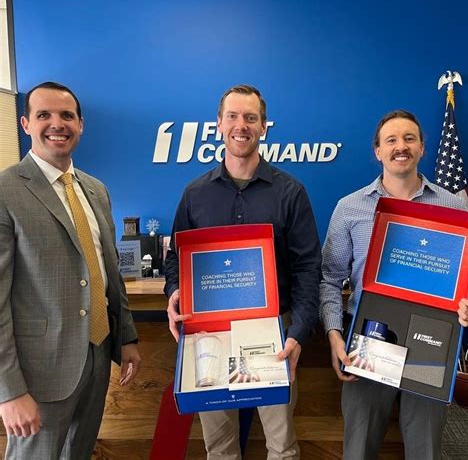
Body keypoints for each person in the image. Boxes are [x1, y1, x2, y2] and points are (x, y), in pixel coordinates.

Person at [165, 84, 321, 459]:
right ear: (219, 124)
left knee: (282, 447)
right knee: (219, 447)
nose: (241, 125)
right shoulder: (195, 194)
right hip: (210, 334)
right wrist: (174, 291)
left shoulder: (290, 192)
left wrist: (298, 333)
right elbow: (175, 259)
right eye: (233, 116)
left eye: (251, 118)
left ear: (264, 126)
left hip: (274, 334)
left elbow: (307, 268)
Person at [320, 109, 468, 460]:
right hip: (369, 337)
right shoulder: (349, 208)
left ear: (422, 147)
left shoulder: (454, 206)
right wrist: (334, 335)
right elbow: (328, 279)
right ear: (378, 151)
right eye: (391, 140)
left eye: (409, 139)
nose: (400, 147)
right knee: (358, 449)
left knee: (426, 449)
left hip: (433, 343)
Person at [0, 82, 141, 459]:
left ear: (80, 124)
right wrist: (9, 391)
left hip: (97, 360)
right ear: (26, 124)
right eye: (44, 115)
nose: (56, 124)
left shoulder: (95, 190)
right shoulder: (5, 190)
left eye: (66, 115)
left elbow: (109, 272)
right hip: (38, 375)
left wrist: (126, 338)